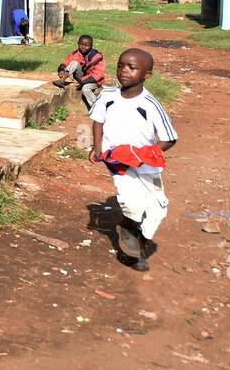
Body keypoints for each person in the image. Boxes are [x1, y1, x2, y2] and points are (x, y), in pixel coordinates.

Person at [89, 48, 177, 272]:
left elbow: (170, 138)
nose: (124, 71)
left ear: (147, 74)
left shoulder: (150, 105)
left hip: (147, 164)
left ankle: (137, 238)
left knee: (158, 209)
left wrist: (143, 155)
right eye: (120, 65)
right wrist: (97, 148)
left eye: (132, 67)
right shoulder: (107, 96)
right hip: (117, 161)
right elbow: (98, 120)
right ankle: (131, 241)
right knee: (134, 205)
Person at [55, 34, 107, 109]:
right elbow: (66, 62)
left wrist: (82, 81)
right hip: (82, 77)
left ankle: (97, 109)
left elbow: (98, 75)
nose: (83, 47)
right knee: (74, 63)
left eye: (87, 45)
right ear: (78, 43)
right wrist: (61, 70)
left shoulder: (97, 57)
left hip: (94, 81)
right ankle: (62, 80)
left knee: (85, 89)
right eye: (81, 44)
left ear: (91, 46)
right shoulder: (76, 53)